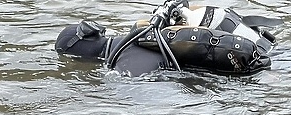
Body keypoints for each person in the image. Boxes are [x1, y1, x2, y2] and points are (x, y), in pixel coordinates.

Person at [55, 1, 276, 77]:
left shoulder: (124, 70)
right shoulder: (142, 31)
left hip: (251, 77)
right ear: (97, 34)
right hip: (269, 50)